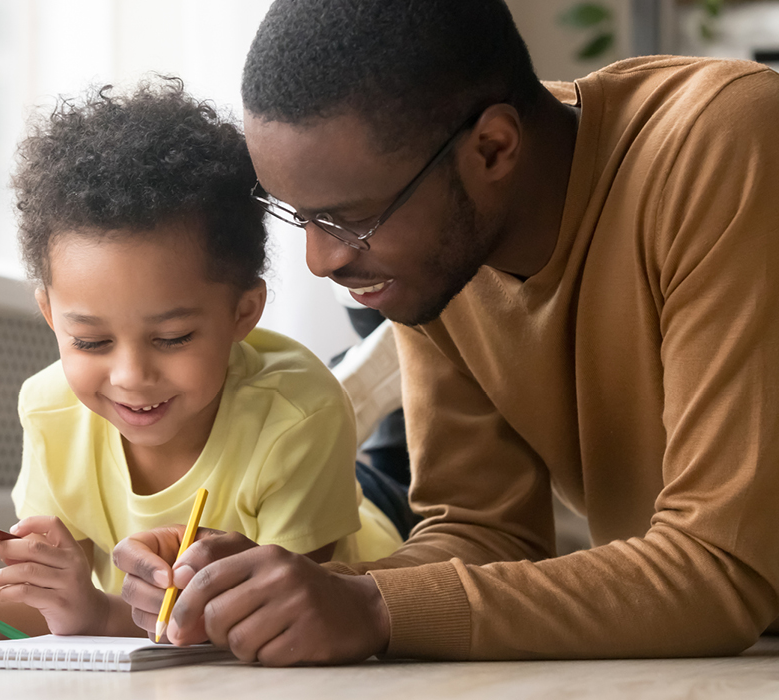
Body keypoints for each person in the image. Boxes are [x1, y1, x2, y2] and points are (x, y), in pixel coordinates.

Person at [113, 0, 779, 665]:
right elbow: (480, 534)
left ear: (493, 149)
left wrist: (376, 608)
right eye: (301, 218)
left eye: (352, 219)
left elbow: (722, 567)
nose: (322, 261)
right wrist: (275, 595)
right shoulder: (443, 256)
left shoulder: (726, 143)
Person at [0, 78, 401, 652]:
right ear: (50, 314)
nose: (130, 377)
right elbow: (54, 604)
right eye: (91, 342)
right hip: (301, 461)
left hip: (379, 529)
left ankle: (388, 351)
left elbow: (269, 622)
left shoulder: (301, 415)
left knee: (400, 446)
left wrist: (96, 610)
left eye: (172, 337)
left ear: (244, 312)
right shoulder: (49, 410)